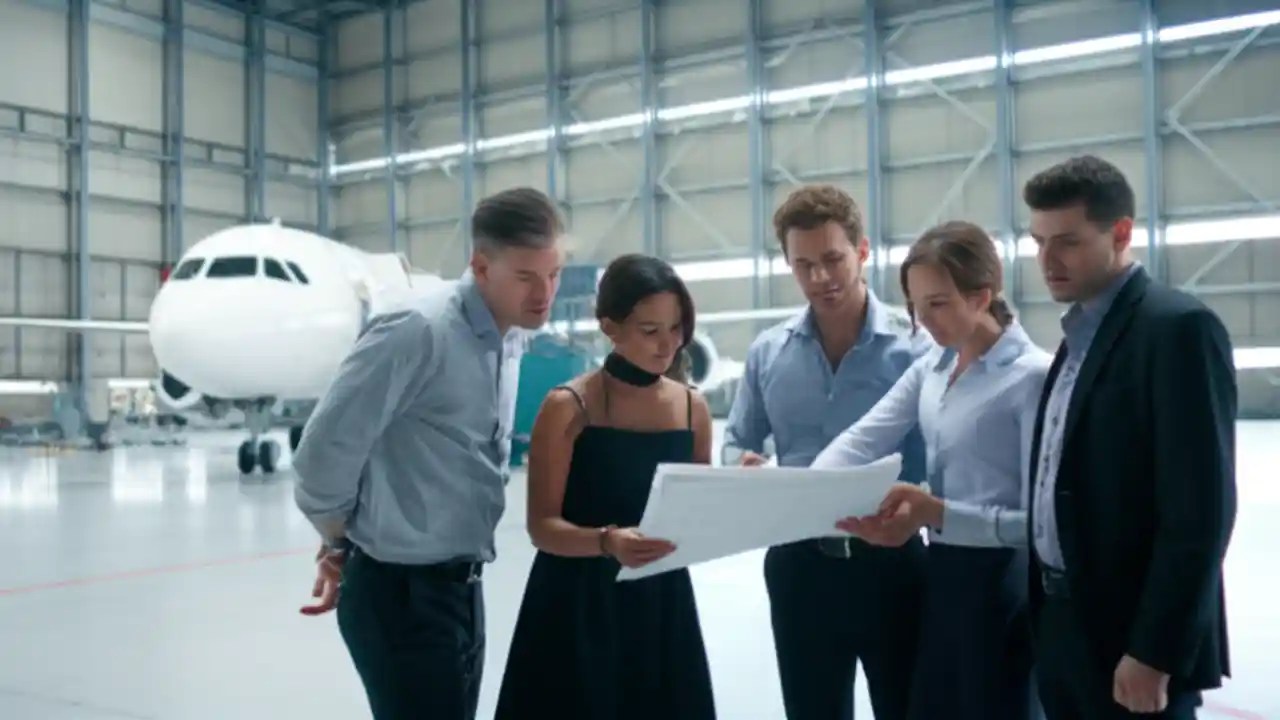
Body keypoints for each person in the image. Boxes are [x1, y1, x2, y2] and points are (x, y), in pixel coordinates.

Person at [291, 187, 566, 720]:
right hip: (400, 597)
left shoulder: (507, 338)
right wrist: (340, 543)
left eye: (553, 274)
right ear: (481, 267)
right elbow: (321, 455)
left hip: (460, 588)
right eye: (527, 277)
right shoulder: (418, 330)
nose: (545, 293)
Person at [1023, 155, 1237, 719]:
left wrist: (1154, 651)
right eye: (1038, 241)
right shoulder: (1077, 338)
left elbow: (1200, 514)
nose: (1047, 260)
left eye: (1066, 241)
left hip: (1130, 642)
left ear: (1120, 233)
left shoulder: (1177, 330)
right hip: (1064, 627)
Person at [813, 220, 1051, 720]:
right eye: (916, 308)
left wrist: (935, 512)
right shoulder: (932, 367)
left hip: (1004, 586)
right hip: (941, 581)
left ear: (982, 295)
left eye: (938, 304)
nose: (925, 322)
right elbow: (863, 437)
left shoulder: (1033, 379)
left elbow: (1041, 525)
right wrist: (812, 489)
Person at [723, 184, 931, 720]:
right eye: (804, 265)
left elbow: (941, 458)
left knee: (906, 707)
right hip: (798, 568)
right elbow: (737, 439)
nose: (820, 277)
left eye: (833, 259)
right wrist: (739, 464)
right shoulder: (768, 353)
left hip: (891, 564)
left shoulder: (917, 349)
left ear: (862, 252)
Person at [494, 253, 717, 719]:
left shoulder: (694, 409)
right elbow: (542, 528)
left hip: (661, 601)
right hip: (578, 604)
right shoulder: (568, 406)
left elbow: (695, 515)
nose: (667, 346)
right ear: (610, 327)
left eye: (676, 329)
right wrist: (606, 541)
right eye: (649, 330)